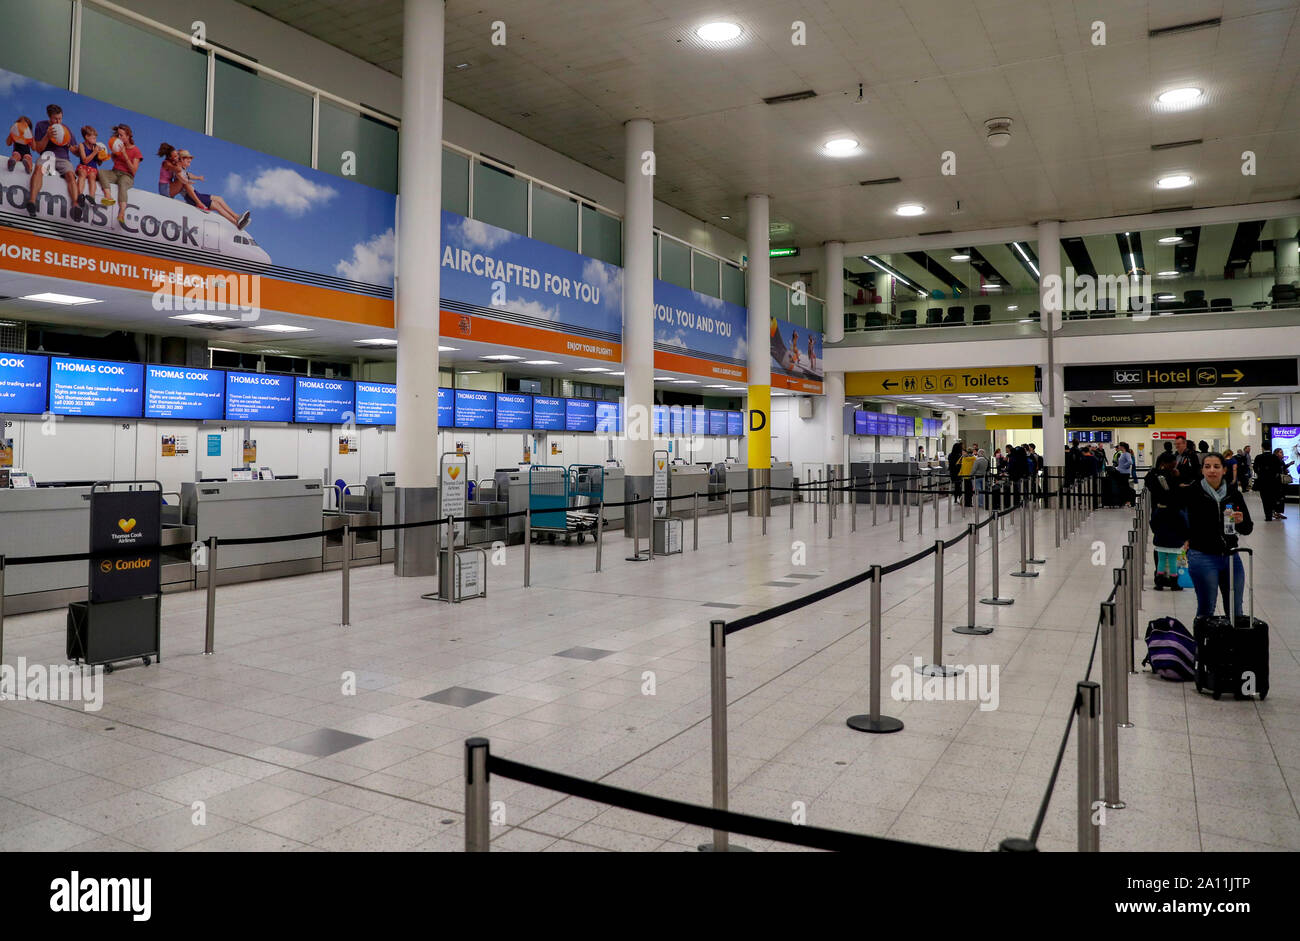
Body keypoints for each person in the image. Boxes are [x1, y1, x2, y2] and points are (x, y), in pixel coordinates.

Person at [1177, 452, 1252, 618]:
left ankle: (1232, 644)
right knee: (1206, 610)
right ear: (1202, 470)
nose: (1212, 470)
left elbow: (1248, 528)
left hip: (1231, 557)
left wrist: (1241, 521)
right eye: (1207, 466)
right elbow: (1178, 519)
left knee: (1235, 611)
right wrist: (1186, 537)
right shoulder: (1192, 492)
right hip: (1202, 556)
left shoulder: (1233, 493)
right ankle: (1203, 644)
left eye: (1216, 467)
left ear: (1224, 470)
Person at [24, 104, 83, 221]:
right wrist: (47, 136)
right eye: (55, 118)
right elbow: (38, 149)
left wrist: (70, 146)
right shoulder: (41, 125)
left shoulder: (66, 129)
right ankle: (32, 202)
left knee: (71, 175)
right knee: (38, 169)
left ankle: (75, 205)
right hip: (48, 156)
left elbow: (76, 152)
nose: (58, 121)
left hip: (63, 158)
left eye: (60, 118)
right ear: (49, 117)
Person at [1144, 452, 1188, 590]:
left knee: (1161, 557)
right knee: (1173, 558)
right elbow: (1174, 493)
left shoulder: (1154, 475)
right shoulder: (1165, 476)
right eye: (1173, 463)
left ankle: (1160, 579)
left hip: (1160, 517)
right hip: (1171, 515)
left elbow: (1154, 523)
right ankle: (1173, 580)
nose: (1174, 465)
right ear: (1165, 463)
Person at [99, 124, 143, 227]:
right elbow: (114, 161)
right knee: (100, 172)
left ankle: (122, 213)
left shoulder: (136, 151)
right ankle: (108, 197)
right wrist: (106, 154)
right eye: (118, 135)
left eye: (122, 135)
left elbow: (133, 171)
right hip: (115, 172)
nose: (119, 138)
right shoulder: (118, 146)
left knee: (122, 183)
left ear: (128, 136)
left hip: (127, 176)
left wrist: (124, 154)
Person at [70, 125, 108, 210]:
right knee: (82, 175)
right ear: (87, 137)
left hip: (93, 168)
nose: (95, 140)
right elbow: (84, 160)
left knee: (92, 177)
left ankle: (92, 197)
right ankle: (80, 195)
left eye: (95, 138)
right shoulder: (81, 146)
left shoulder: (95, 147)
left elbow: (99, 163)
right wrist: (94, 152)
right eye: (93, 138)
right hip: (83, 166)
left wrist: (101, 157)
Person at [1112, 442, 1135, 507]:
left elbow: (1130, 462)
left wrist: (1123, 467)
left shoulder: (1127, 454)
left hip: (1124, 473)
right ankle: (1125, 501)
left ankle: (1129, 501)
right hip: (1120, 473)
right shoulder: (1122, 454)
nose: (1118, 447)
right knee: (1123, 488)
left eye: (1119, 446)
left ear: (1122, 447)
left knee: (1126, 488)